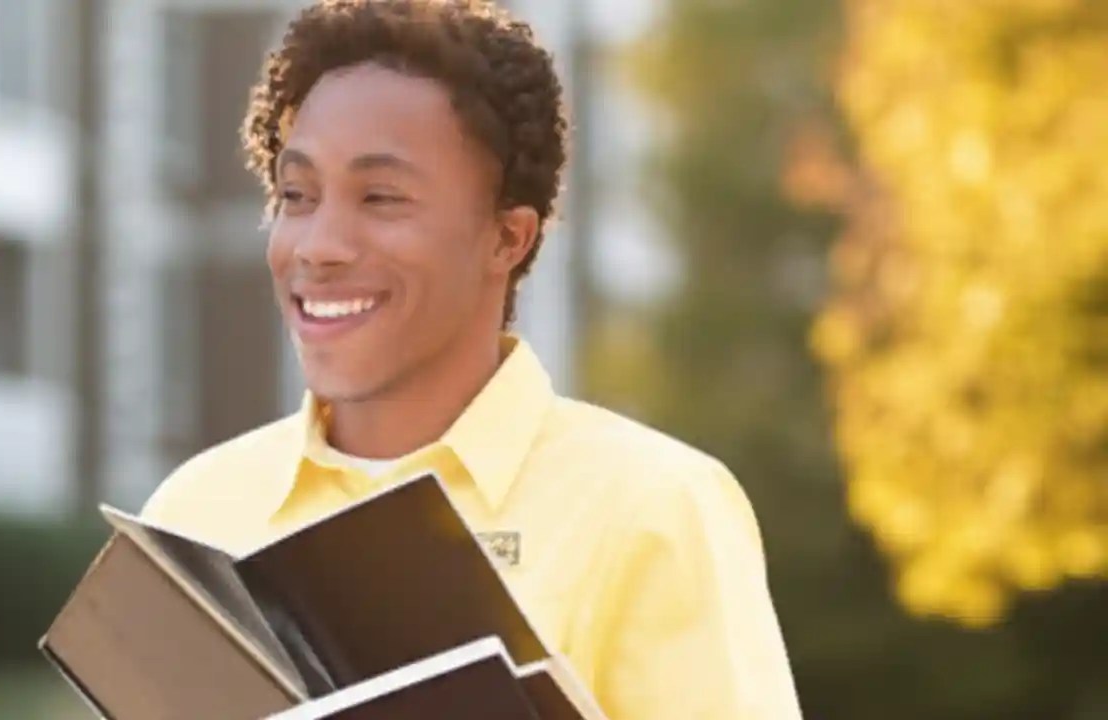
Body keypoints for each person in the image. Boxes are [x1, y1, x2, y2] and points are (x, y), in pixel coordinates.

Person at [141, 1, 801, 717]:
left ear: (507, 238)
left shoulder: (654, 509)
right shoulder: (194, 513)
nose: (318, 245)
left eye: (381, 197)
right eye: (297, 195)